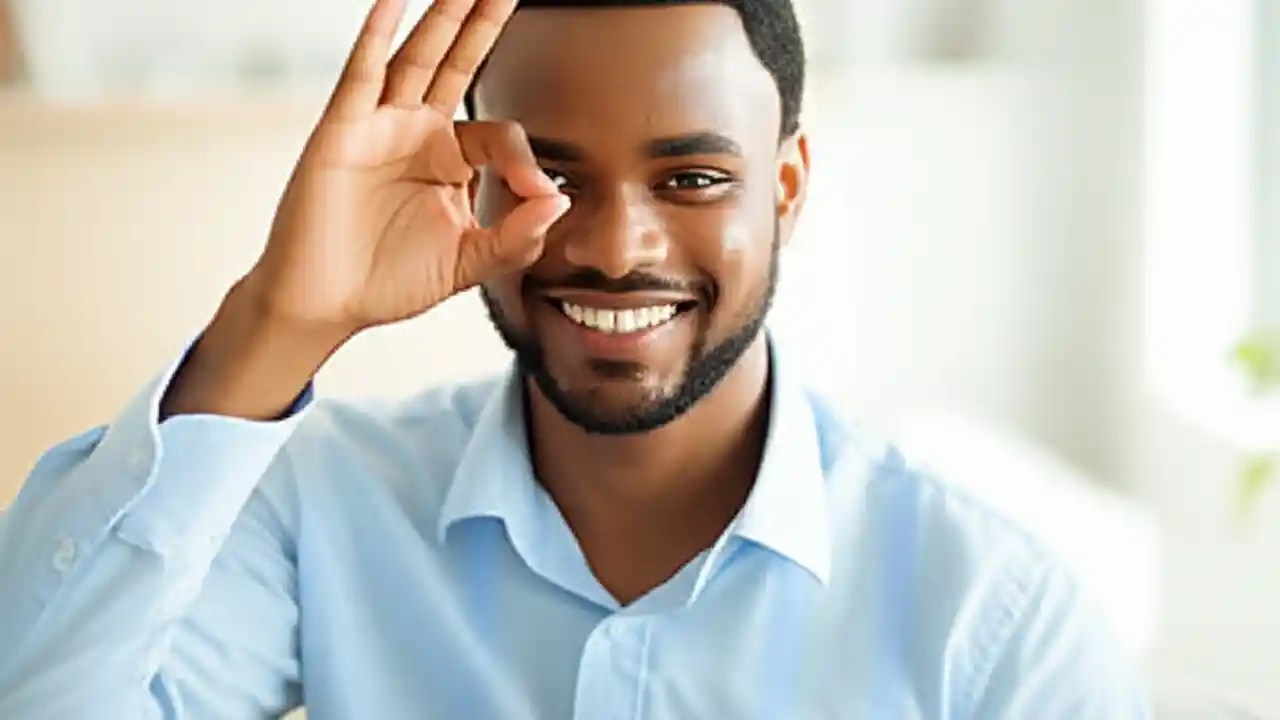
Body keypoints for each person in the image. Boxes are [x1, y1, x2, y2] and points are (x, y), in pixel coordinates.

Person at [0, 0, 1150, 717]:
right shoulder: (321, 505)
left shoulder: (992, 619)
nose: (609, 248)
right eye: (547, 173)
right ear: (476, 179)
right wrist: (280, 318)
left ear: (785, 188)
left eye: (691, 178)